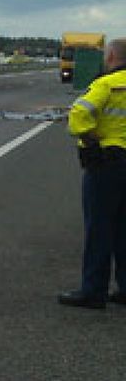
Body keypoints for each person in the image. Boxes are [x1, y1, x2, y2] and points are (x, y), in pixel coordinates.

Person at [58, 37, 126, 309]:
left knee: (99, 226)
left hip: (108, 163)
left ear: (110, 57)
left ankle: (93, 291)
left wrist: (89, 143)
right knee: (124, 228)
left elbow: (79, 114)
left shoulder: (106, 83)